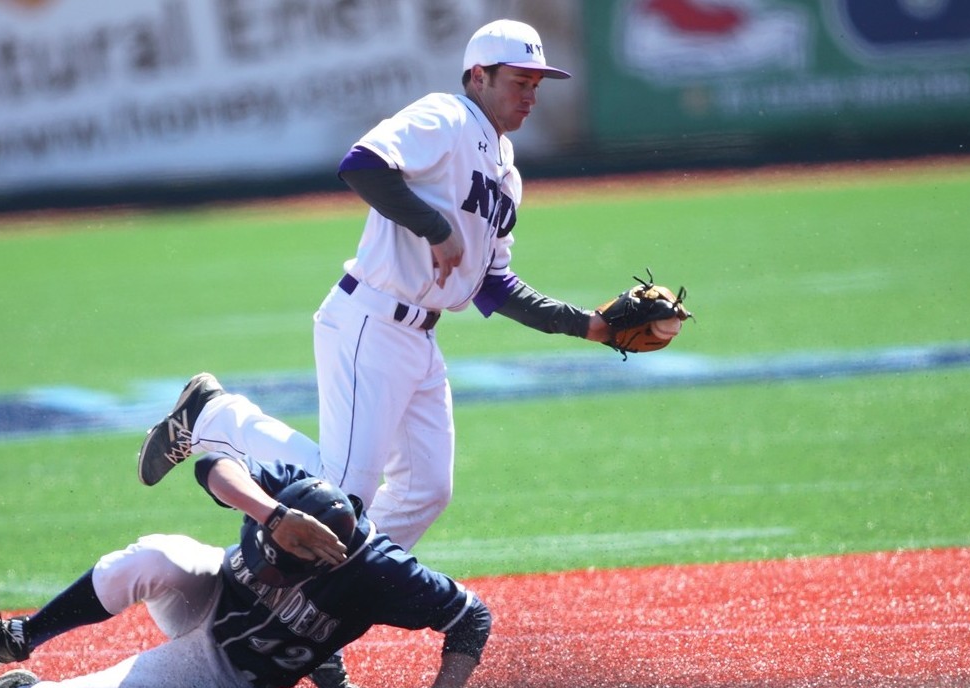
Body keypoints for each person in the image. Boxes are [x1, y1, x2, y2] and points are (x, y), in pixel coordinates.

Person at [138, 20, 619, 553]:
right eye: (519, 81)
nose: (531, 95)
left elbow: (492, 285)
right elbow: (362, 165)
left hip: (420, 340)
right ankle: (214, 415)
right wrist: (435, 230)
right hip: (372, 320)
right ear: (479, 76)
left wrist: (589, 326)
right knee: (343, 487)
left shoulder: (506, 172)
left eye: (537, 84)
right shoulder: (447, 117)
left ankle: (336, 581)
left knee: (425, 491)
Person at [0, 452, 492, 688]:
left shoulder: (380, 572)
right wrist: (271, 513)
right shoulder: (291, 491)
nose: (266, 569)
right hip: (212, 592)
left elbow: (471, 616)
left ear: (327, 560)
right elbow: (212, 465)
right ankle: (20, 637)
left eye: (283, 568)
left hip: (232, 666)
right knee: (155, 555)